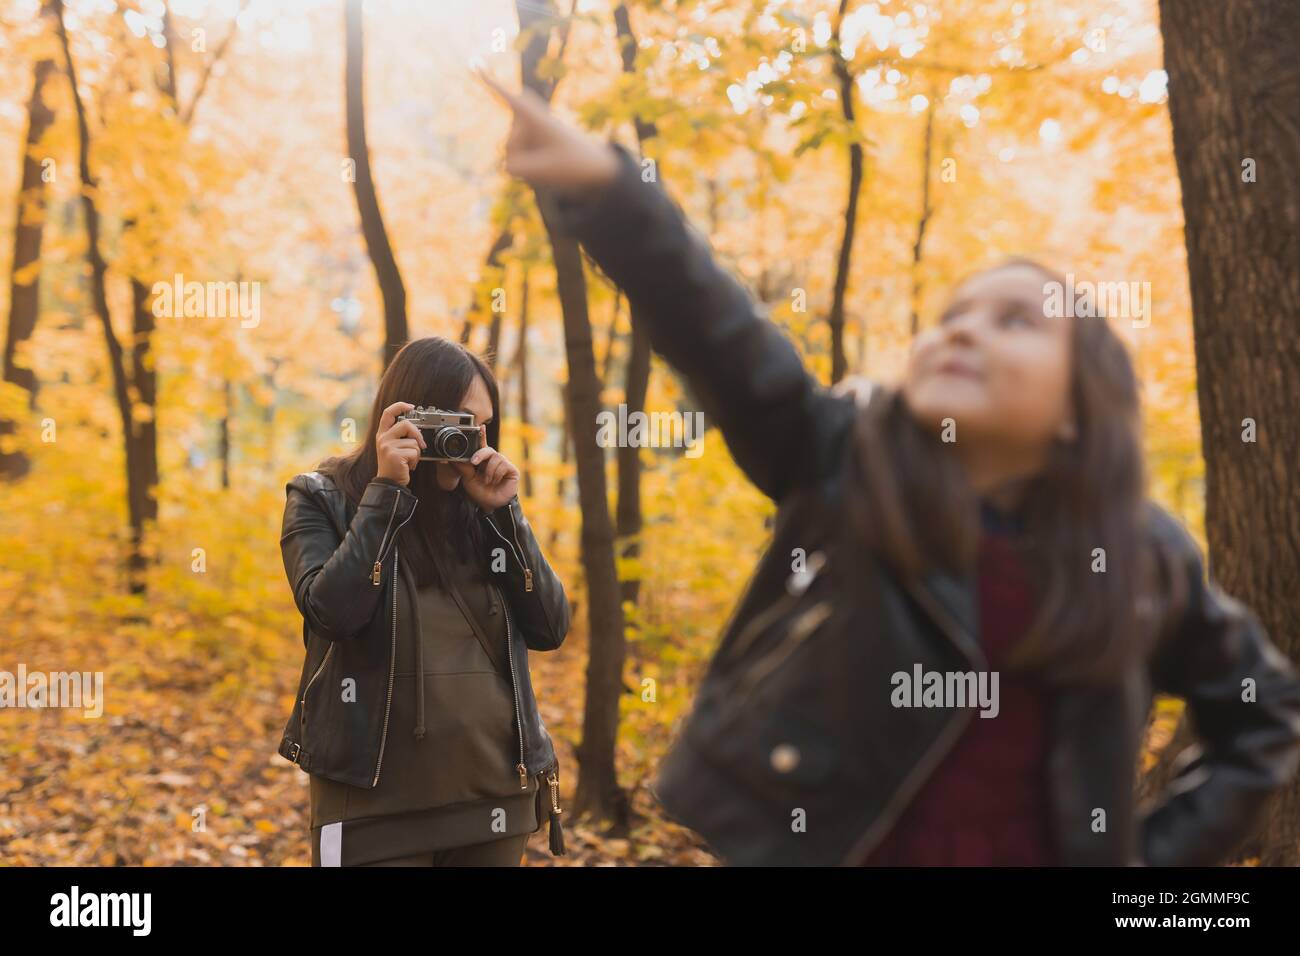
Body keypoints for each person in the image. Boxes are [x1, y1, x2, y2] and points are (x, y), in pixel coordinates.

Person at [481, 73, 1300, 866]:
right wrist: (609, 193)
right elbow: (722, 336)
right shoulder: (847, 460)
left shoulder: (1143, 555)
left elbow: (1264, 711)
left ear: (1080, 409)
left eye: (1014, 320)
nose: (962, 332)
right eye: (951, 317)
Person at [277, 335, 571, 866]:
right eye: (452, 419)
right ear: (405, 413)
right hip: (370, 808)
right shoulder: (323, 497)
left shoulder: (484, 513)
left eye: (478, 425)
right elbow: (333, 613)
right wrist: (387, 493)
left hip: (494, 798)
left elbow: (550, 627)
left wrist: (506, 517)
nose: (466, 439)